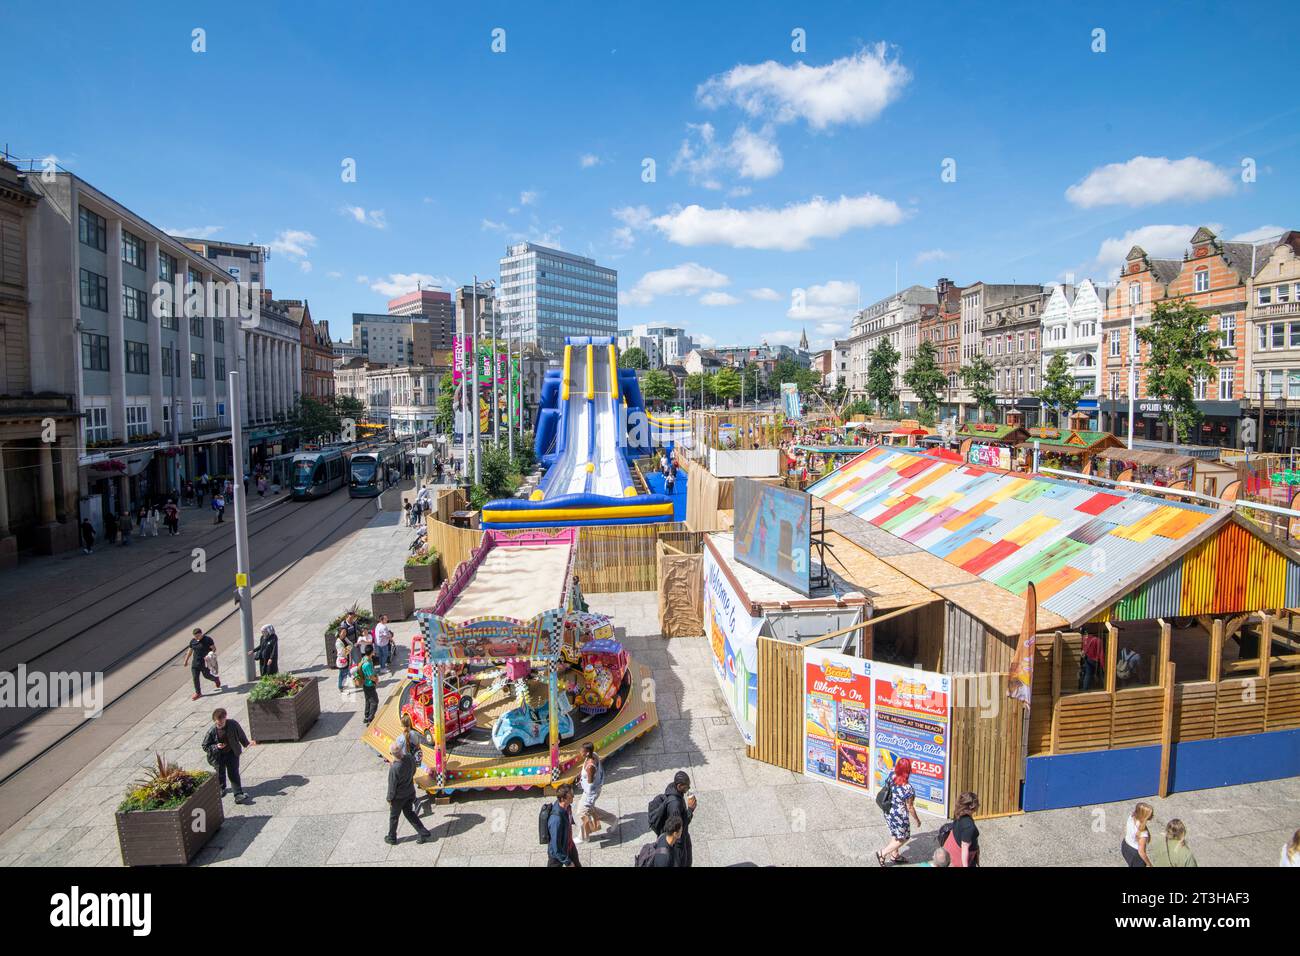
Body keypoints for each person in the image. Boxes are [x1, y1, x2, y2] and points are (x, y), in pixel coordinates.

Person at [385, 738, 433, 845]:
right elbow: (413, 771)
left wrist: (389, 799)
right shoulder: (410, 758)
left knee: (394, 817)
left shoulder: (394, 768)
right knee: (409, 813)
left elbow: (392, 786)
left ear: (392, 754)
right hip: (410, 792)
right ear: (401, 751)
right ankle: (422, 831)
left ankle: (392, 837)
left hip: (398, 797)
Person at [202, 707, 255, 803]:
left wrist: (246, 743)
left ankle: (238, 794)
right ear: (214, 721)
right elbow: (205, 746)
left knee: (233, 773)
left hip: (232, 752)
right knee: (220, 772)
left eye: (221, 723)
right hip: (219, 756)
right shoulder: (212, 731)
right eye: (218, 724)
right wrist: (216, 747)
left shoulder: (233, 724)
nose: (220, 725)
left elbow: (240, 734)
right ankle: (221, 788)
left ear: (225, 718)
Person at [877, 757, 921, 866]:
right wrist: (917, 820)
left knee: (895, 834)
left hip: (888, 810)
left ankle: (895, 855)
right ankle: (882, 853)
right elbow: (910, 807)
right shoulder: (908, 788)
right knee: (903, 838)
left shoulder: (891, 774)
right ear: (908, 770)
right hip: (899, 815)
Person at [651, 771, 695, 867]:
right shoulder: (675, 805)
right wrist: (691, 809)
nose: (688, 789)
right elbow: (678, 825)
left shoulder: (673, 789)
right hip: (678, 842)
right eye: (686, 786)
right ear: (679, 786)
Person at [574, 742, 617, 843]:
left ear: (587, 752)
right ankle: (612, 820)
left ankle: (583, 837)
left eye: (582, 751)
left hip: (589, 794)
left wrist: (582, 783)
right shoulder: (594, 755)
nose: (580, 752)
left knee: (582, 812)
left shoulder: (590, 767)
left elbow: (589, 784)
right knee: (589, 810)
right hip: (594, 791)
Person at [546, 784, 580, 867]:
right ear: (562, 799)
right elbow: (556, 845)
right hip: (557, 855)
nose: (573, 796)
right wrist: (567, 862)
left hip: (569, 845)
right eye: (570, 795)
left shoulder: (567, 807)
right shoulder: (556, 820)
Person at [943, 791, 981, 867]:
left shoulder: (958, 813)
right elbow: (965, 848)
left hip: (951, 849)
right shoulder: (969, 826)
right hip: (962, 857)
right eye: (977, 804)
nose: (978, 806)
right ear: (972, 807)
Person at [184, 627, 221, 700]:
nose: (197, 637)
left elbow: (213, 648)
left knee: (206, 676)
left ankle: (216, 679)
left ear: (201, 634)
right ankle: (198, 693)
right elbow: (190, 651)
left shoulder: (207, 640)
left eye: (198, 636)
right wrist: (186, 660)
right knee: (195, 678)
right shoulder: (193, 641)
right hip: (195, 663)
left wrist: (210, 654)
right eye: (195, 636)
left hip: (205, 662)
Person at [1122, 802, 1154, 867]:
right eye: (1150, 814)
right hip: (1135, 854)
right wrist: (1149, 864)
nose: (1152, 815)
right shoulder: (1143, 833)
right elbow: (1141, 852)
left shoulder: (1131, 817)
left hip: (1125, 845)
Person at [359, 646, 380, 723]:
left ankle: (366, 716)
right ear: (371, 652)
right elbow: (370, 676)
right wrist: (376, 680)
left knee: (368, 700)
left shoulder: (365, 658)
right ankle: (370, 718)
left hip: (365, 684)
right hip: (369, 685)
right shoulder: (367, 663)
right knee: (375, 701)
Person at [335, 627, 354, 693]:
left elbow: (351, 644)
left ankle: (341, 686)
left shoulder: (345, 638)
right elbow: (343, 653)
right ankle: (342, 687)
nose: (344, 634)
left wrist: (348, 648)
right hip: (342, 661)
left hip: (347, 659)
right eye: (343, 632)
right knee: (343, 675)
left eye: (345, 632)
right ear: (339, 633)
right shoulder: (338, 643)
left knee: (344, 674)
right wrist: (349, 648)